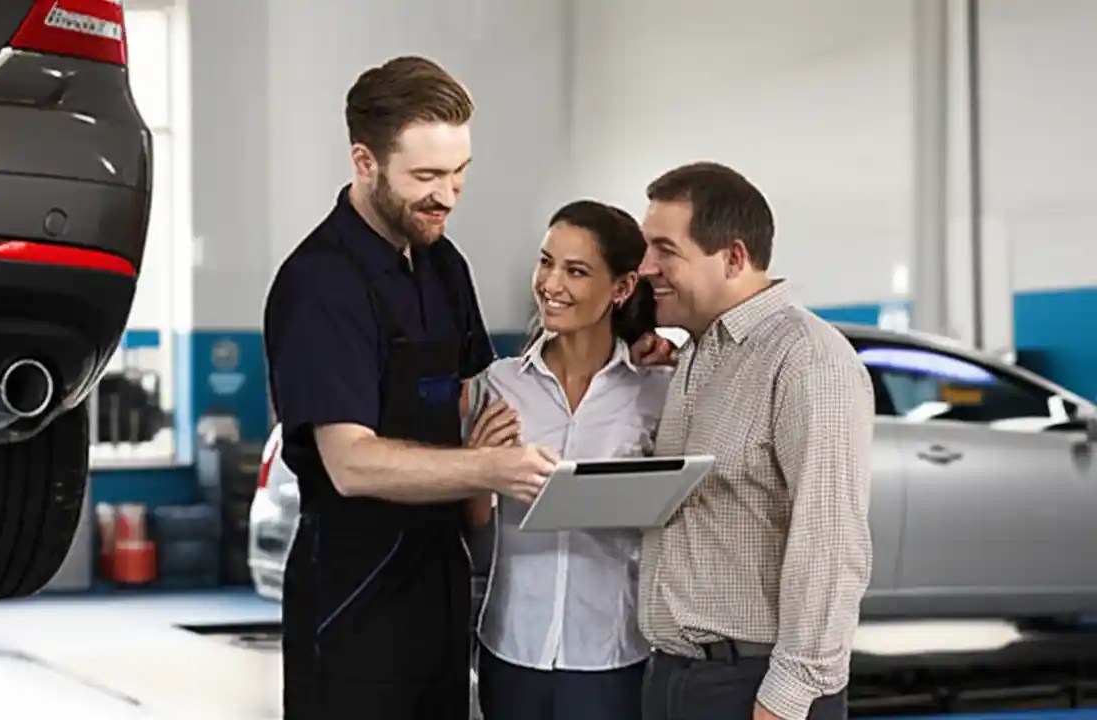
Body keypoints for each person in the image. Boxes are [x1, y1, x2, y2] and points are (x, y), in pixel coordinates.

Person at [262, 56, 673, 720]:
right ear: (365, 162)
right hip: (353, 594)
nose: (448, 196)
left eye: (459, 174)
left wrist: (636, 347)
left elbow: (478, 388)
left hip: (440, 589)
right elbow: (349, 462)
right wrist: (489, 468)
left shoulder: (442, 263)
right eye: (426, 176)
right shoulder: (320, 286)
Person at [634, 162, 874, 720]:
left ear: (734, 258)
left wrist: (787, 696)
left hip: (756, 687)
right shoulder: (695, 355)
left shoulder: (807, 360)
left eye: (664, 249)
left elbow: (831, 544)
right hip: (675, 677)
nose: (646, 267)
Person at [459, 199, 673, 720]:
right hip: (512, 646)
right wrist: (477, 463)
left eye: (576, 271)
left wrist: (678, 354)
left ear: (621, 289)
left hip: (612, 651)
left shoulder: (656, 391)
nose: (551, 284)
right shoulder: (499, 385)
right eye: (546, 261)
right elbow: (474, 523)